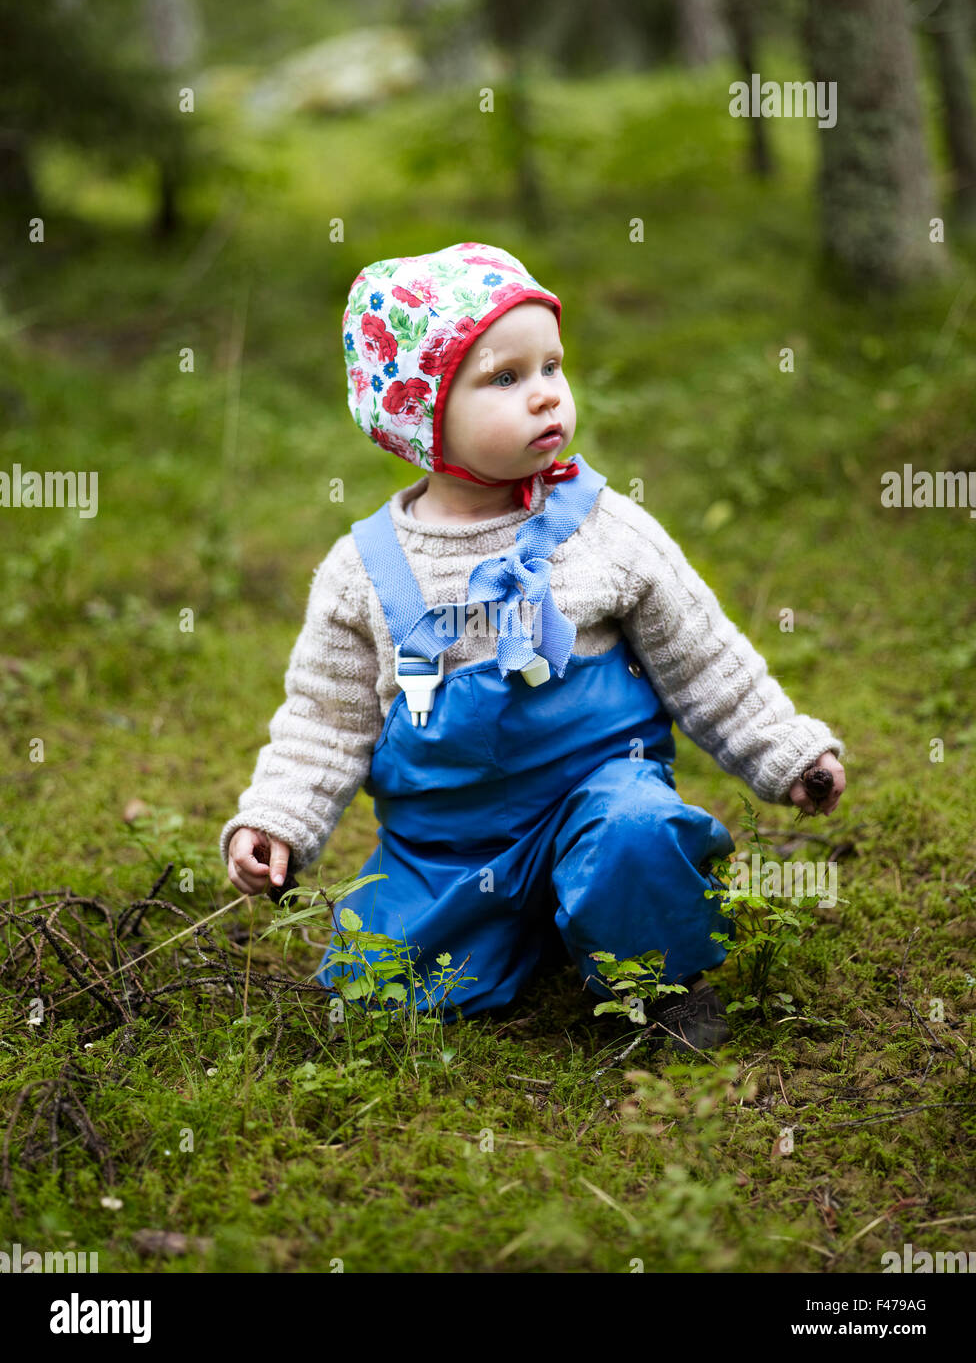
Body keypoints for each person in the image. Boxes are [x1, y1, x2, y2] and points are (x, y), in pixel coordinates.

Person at [220, 241, 846, 1050]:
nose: (546, 396)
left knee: (635, 833)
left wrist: (785, 751)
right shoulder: (364, 572)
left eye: (552, 366)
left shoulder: (603, 529)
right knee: (376, 993)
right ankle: (512, 928)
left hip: (596, 801)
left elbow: (703, 658)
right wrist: (277, 821)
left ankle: (656, 990)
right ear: (421, 414)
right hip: (450, 849)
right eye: (505, 379)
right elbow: (324, 720)